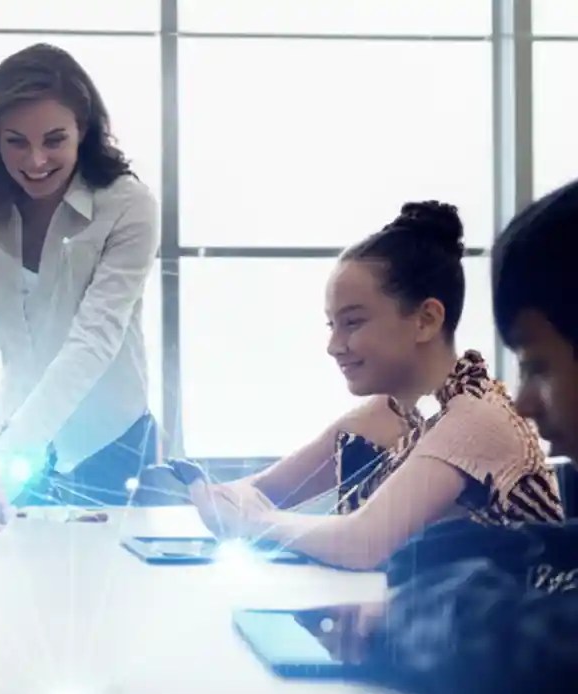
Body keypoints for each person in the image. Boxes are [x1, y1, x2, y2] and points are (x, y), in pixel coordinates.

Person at [298, 178, 578, 694]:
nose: (524, 402)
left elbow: (552, 656)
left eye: (538, 366)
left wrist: (419, 615)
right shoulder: (405, 413)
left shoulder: (477, 413)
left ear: (427, 319)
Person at [181, 201, 562, 570]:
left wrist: (254, 522)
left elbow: (363, 544)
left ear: (426, 319)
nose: (334, 347)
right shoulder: (395, 411)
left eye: (353, 323)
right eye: (332, 325)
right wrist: (213, 496)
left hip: (524, 630)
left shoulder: (477, 418)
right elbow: (262, 491)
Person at [0, 42, 161, 531]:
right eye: (16, 141)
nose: (35, 160)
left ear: (84, 131)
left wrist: (9, 451)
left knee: (121, 599)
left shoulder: (128, 205)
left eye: (54, 140)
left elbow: (94, 339)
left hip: (110, 445)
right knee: (16, 593)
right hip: (19, 455)